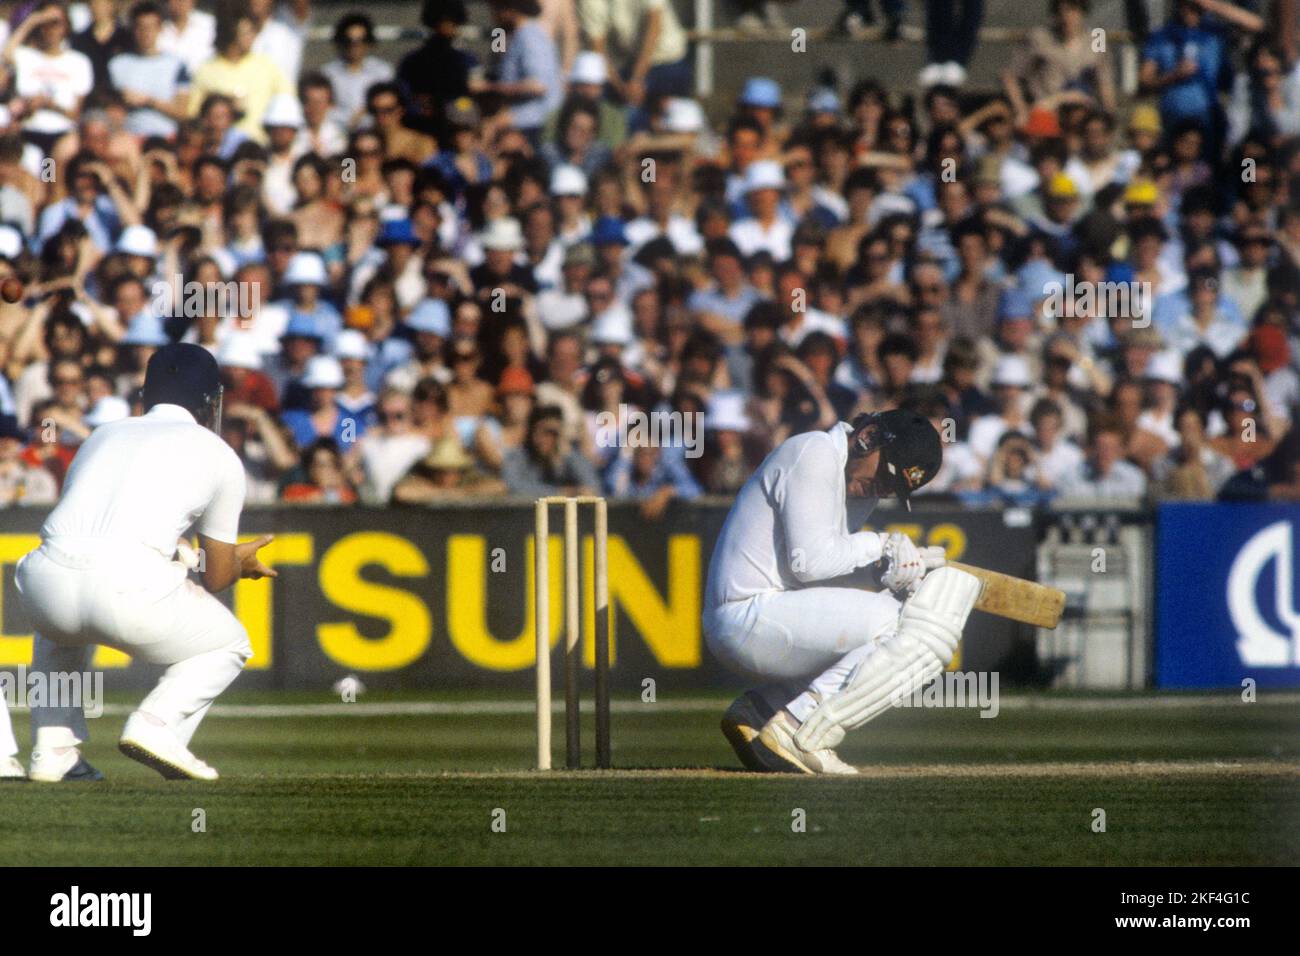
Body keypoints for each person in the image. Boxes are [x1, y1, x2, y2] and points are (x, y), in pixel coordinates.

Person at [13, 343, 276, 782]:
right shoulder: (219, 454)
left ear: (145, 396)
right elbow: (216, 578)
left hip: (43, 579)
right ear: (211, 403)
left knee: (57, 619)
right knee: (228, 644)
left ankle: (52, 749)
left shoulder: (102, 435)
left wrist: (196, 561)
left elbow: (94, 538)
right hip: (126, 589)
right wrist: (238, 564)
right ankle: (156, 724)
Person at [706, 407, 980, 775]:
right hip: (746, 615)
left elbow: (820, 579)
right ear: (868, 438)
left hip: (765, 615)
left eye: (891, 488)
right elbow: (811, 563)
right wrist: (882, 545)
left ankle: (766, 710)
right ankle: (801, 727)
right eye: (884, 476)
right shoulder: (815, 453)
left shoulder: (854, 481)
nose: (880, 490)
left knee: (906, 611)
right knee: (918, 628)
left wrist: (895, 576)